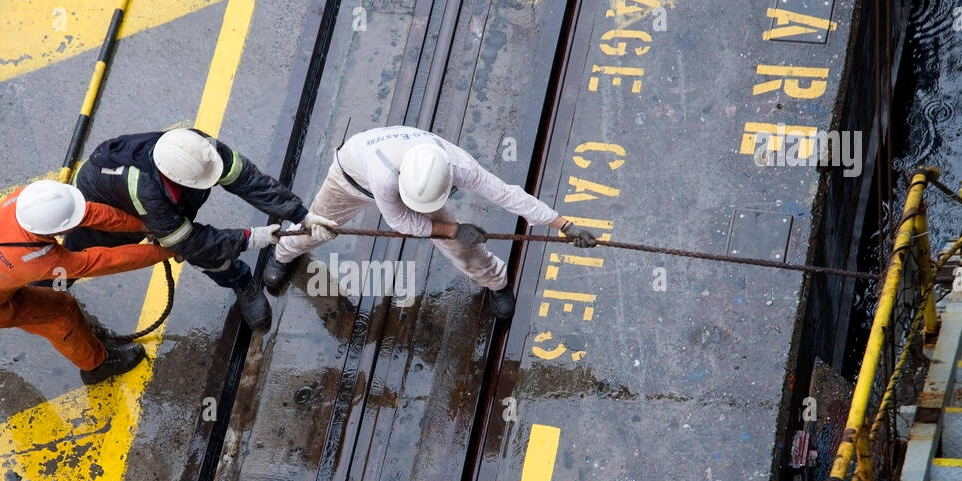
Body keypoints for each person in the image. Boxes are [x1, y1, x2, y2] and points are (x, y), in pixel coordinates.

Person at [263, 126, 588, 317]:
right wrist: (453, 228)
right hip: (350, 178)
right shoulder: (384, 177)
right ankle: (285, 253)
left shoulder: (459, 166)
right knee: (317, 226)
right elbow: (403, 222)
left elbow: (507, 194)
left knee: (463, 249)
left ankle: (496, 282)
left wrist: (563, 225)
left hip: (404, 181)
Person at [61, 128, 336, 331]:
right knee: (70, 263)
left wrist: (302, 215)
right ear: (177, 180)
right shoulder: (145, 189)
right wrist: (249, 238)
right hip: (102, 208)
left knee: (204, 249)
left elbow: (249, 180)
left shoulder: (198, 149)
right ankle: (50, 298)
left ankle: (240, 282)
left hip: (162, 200)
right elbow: (189, 242)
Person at [0, 180, 172, 387]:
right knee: (61, 309)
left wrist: (143, 227)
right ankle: (97, 365)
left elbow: (84, 213)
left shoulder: (24, 199)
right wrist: (167, 250)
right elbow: (102, 260)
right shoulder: (38, 258)